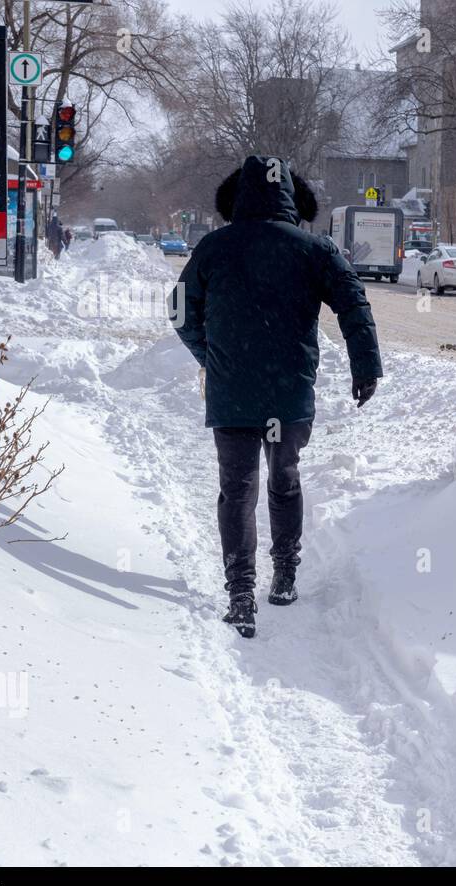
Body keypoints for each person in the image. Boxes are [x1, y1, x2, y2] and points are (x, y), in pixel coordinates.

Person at [170, 155, 382, 638]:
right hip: (289, 392)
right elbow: (354, 304)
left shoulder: (214, 247)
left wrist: (211, 356)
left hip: (232, 393)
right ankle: (285, 574)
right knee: (284, 480)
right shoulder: (315, 249)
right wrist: (366, 366)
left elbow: (180, 311)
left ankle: (240, 592)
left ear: (238, 196)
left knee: (237, 490)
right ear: (290, 195)